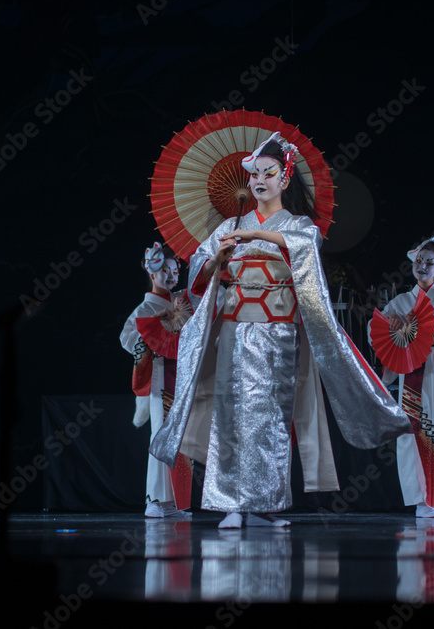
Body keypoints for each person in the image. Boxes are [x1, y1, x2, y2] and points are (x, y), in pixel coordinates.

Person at [150, 131, 410, 529]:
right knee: (229, 415)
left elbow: (304, 247)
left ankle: (264, 504)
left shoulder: (298, 225)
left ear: (284, 179)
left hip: (278, 334)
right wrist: (217, 258)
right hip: (236, 331)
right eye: (254, 173)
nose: (259, 179)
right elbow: (198, 275)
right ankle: (231, 504)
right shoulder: (228, 226)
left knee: (271, 419)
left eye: (268, 172)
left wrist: (255, 235)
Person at [370, 237, 434, 519]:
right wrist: (392, 327)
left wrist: (410, 321)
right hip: (412, 372)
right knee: (412, 433)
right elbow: (376, 330)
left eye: (429, 262)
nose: (422, 266)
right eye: (418, 261)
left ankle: (433, 498)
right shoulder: (399, 300)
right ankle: (420, 501)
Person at [120, 242, 192, 518]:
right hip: (161, 374)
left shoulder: (180, 302)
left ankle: (175, 501)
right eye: (164, 270)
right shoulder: (146, 307)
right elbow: (127, 338)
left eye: (174, 271)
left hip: (182, 375)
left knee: (182, 438)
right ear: (151, 272)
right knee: (161, 434)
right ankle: (153, 498)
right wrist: (154, 329)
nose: (171, 276)